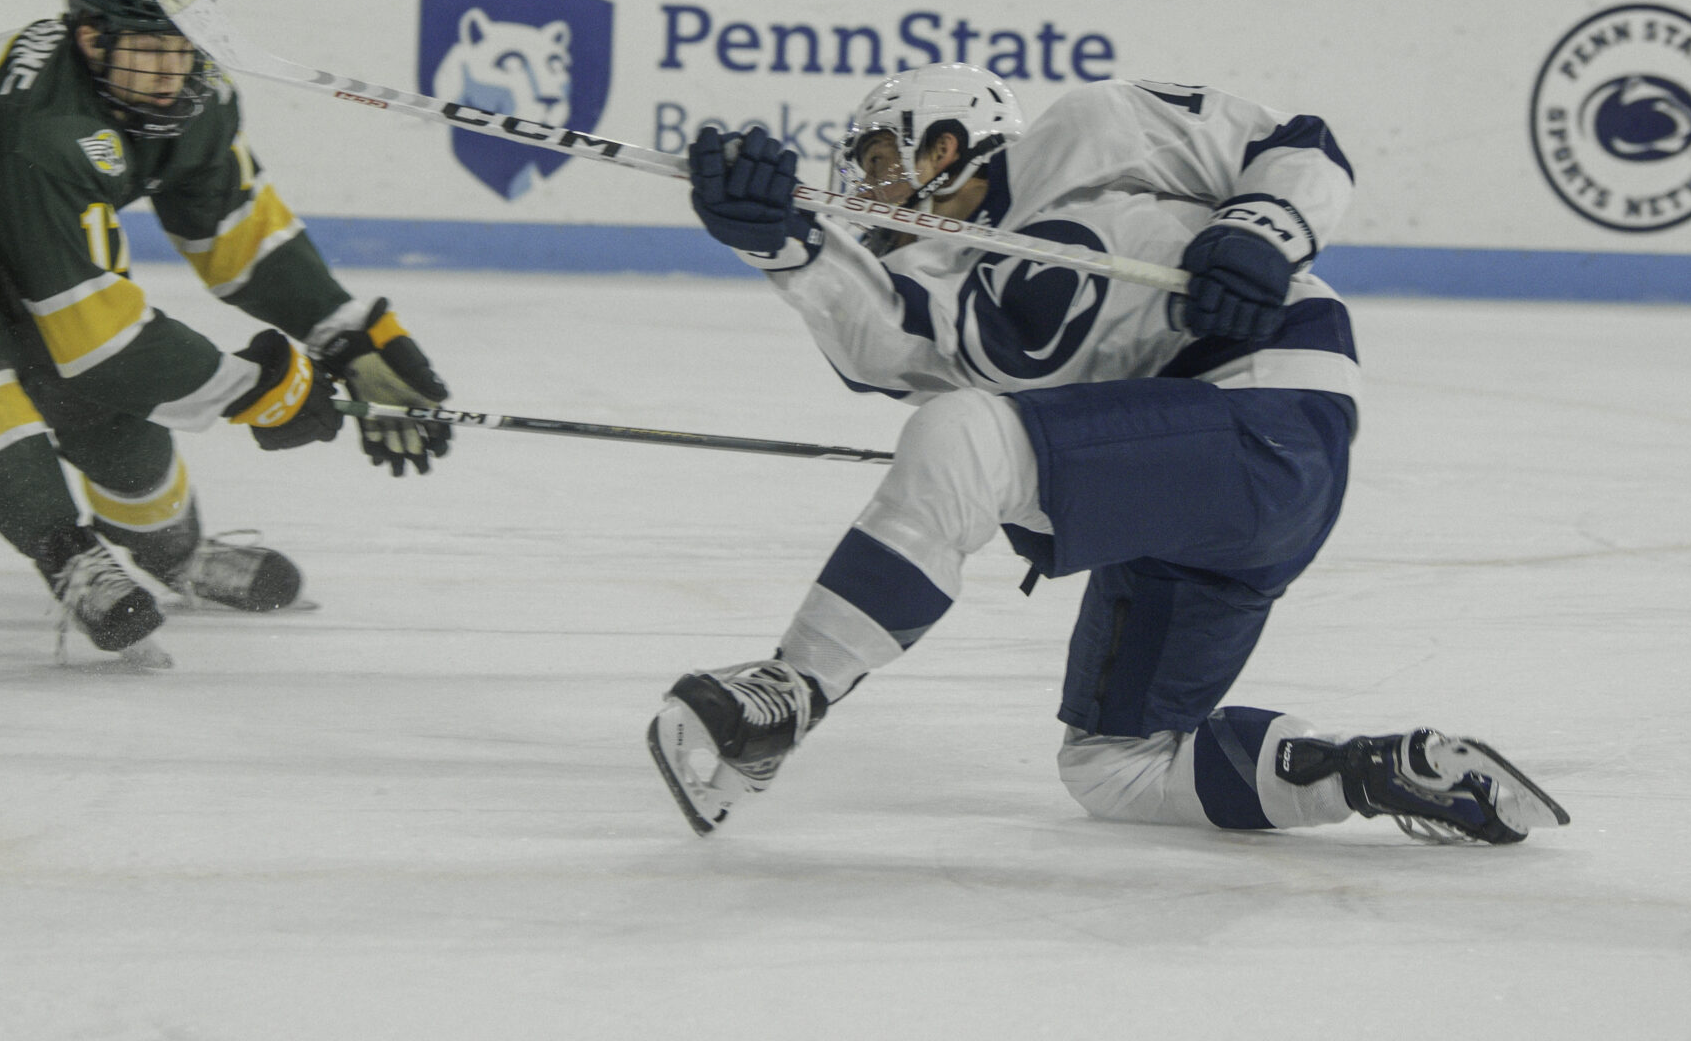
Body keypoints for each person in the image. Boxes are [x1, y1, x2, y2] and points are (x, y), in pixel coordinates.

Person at [651, 66, 1566, 847]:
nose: (862, 191)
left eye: (879, 164)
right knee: (1118, 770)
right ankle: (1375, 775)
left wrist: (1262, 231)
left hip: (1270, 417)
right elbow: (876, 340)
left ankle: (788, 694)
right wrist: (777, 239)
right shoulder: (936, 286)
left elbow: (1296, 141)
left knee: (964, 434)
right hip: (1206, 503)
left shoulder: (1094, 130)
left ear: (941, 146)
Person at [0, 0, 453, 662]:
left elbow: (236, 233)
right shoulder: (43, 130)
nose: (172, 71)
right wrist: (260, 390)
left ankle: (178, 555)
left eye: (185, 45)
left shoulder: (197, 93)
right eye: (149, 50)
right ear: (92, 41)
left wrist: (345, 334)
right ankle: (70, 555)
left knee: (96, 405)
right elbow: (103, 343)